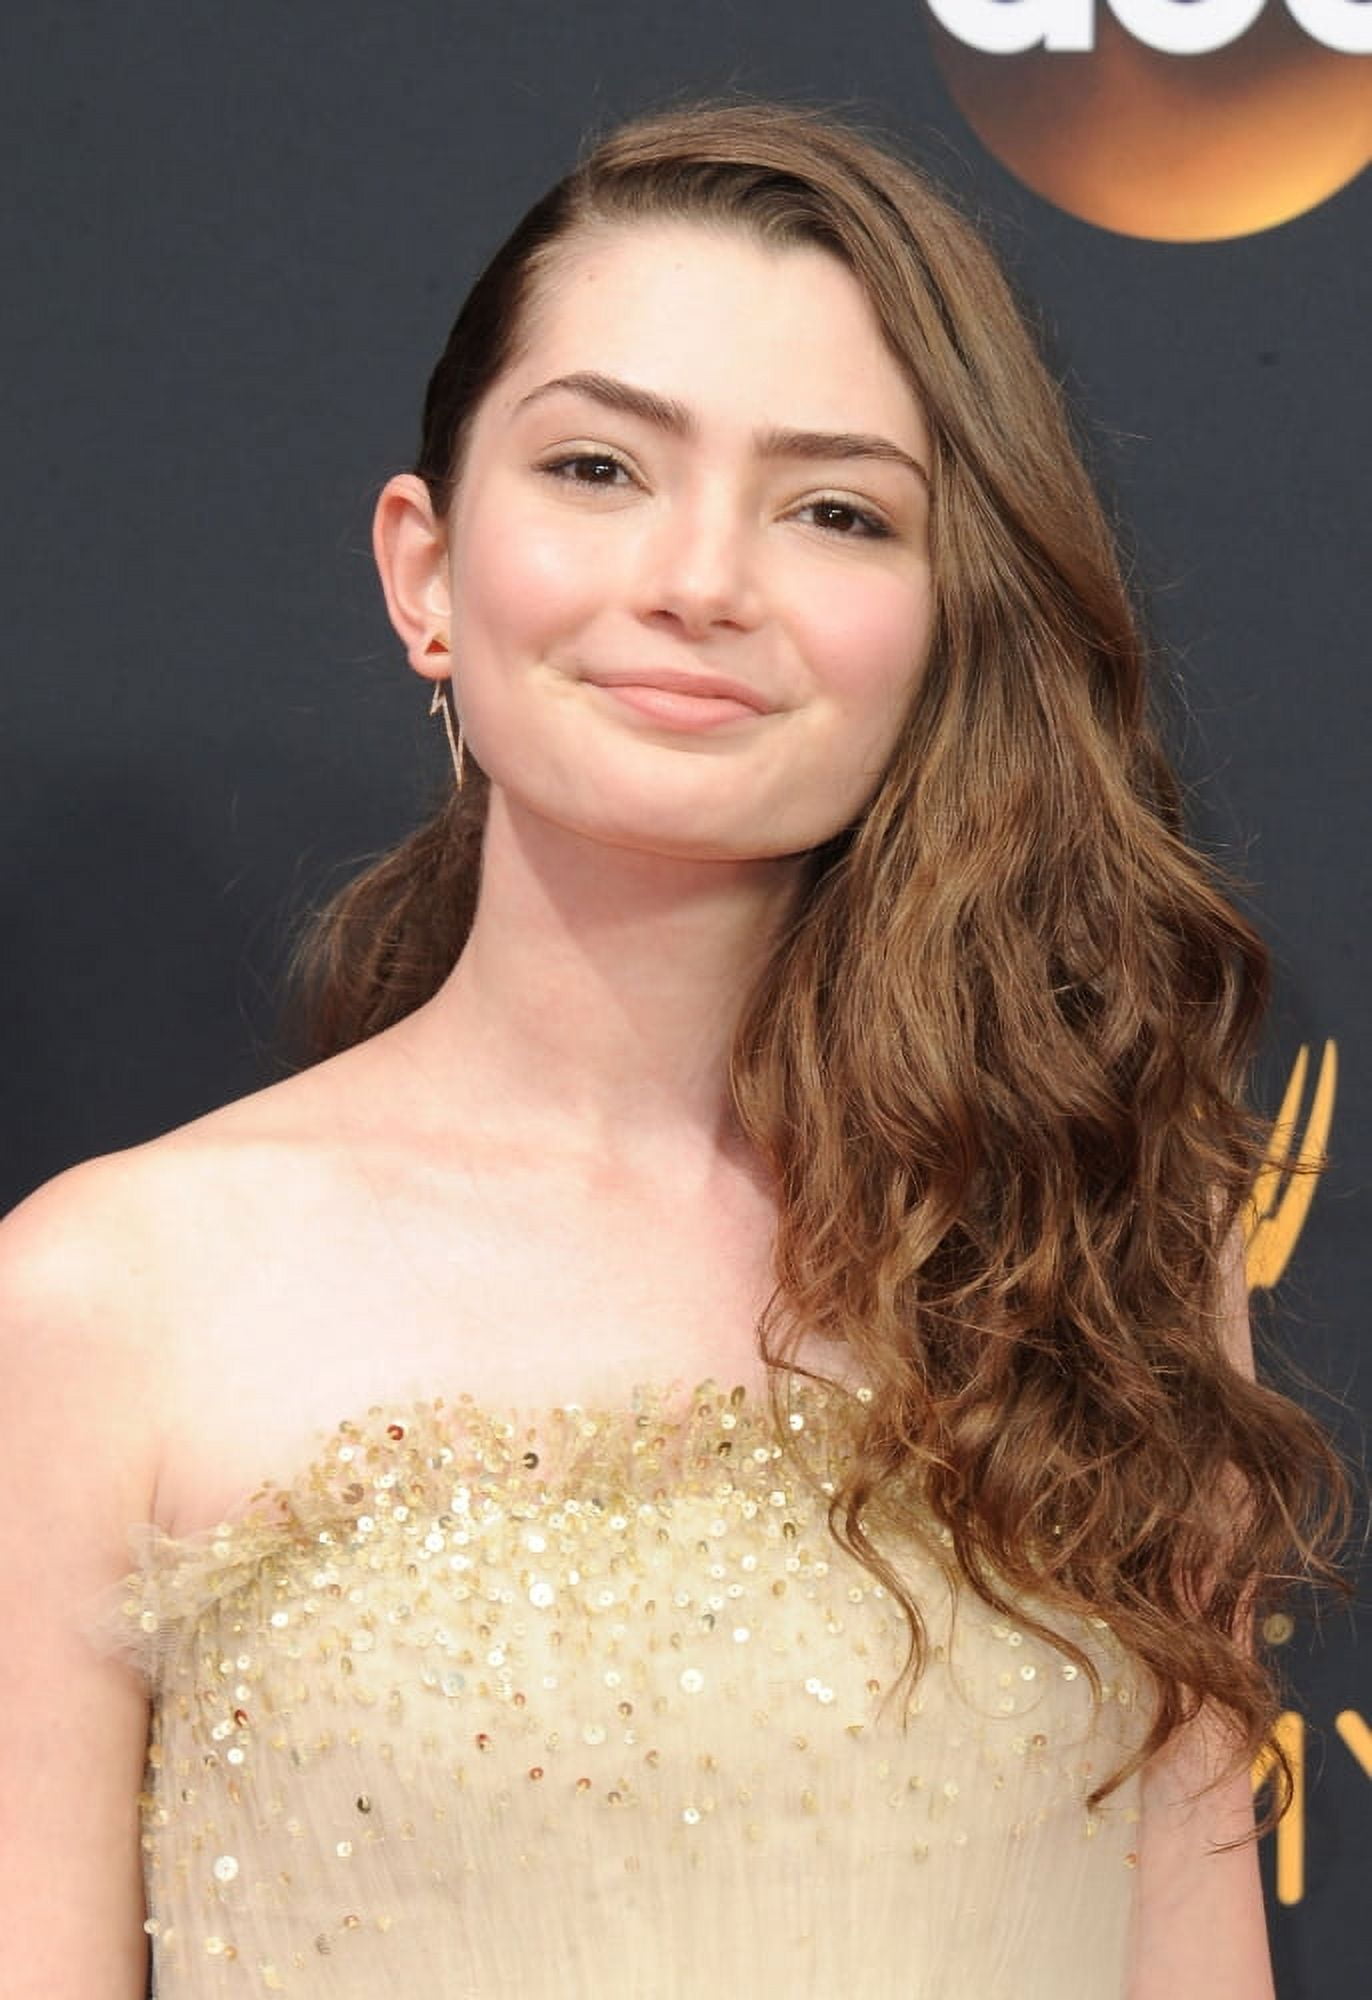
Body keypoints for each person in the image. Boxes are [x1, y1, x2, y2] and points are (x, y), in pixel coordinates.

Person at [0, 99, 1348, 1999]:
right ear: (425, 568)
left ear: (948, 628)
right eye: (600, 468)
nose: (703, 577)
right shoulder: (105, 1298)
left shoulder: (1089, 1243)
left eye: (837, 510)